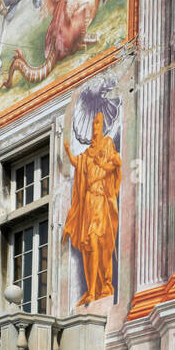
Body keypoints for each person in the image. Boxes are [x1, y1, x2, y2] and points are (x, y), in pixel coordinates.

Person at [62, 113, 121, 305]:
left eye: (98, 123)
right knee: (88, 246)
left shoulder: (107, 144)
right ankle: (91, 290)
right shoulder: (87, 153)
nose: (95, 126)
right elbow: (76, 164)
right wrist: (68, 150)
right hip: (88, 202)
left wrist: (103, 165)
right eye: (94, 123)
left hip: (100, 200)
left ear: (103, 125)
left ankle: (101, 286)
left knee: (97, 242)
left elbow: (115, 164)